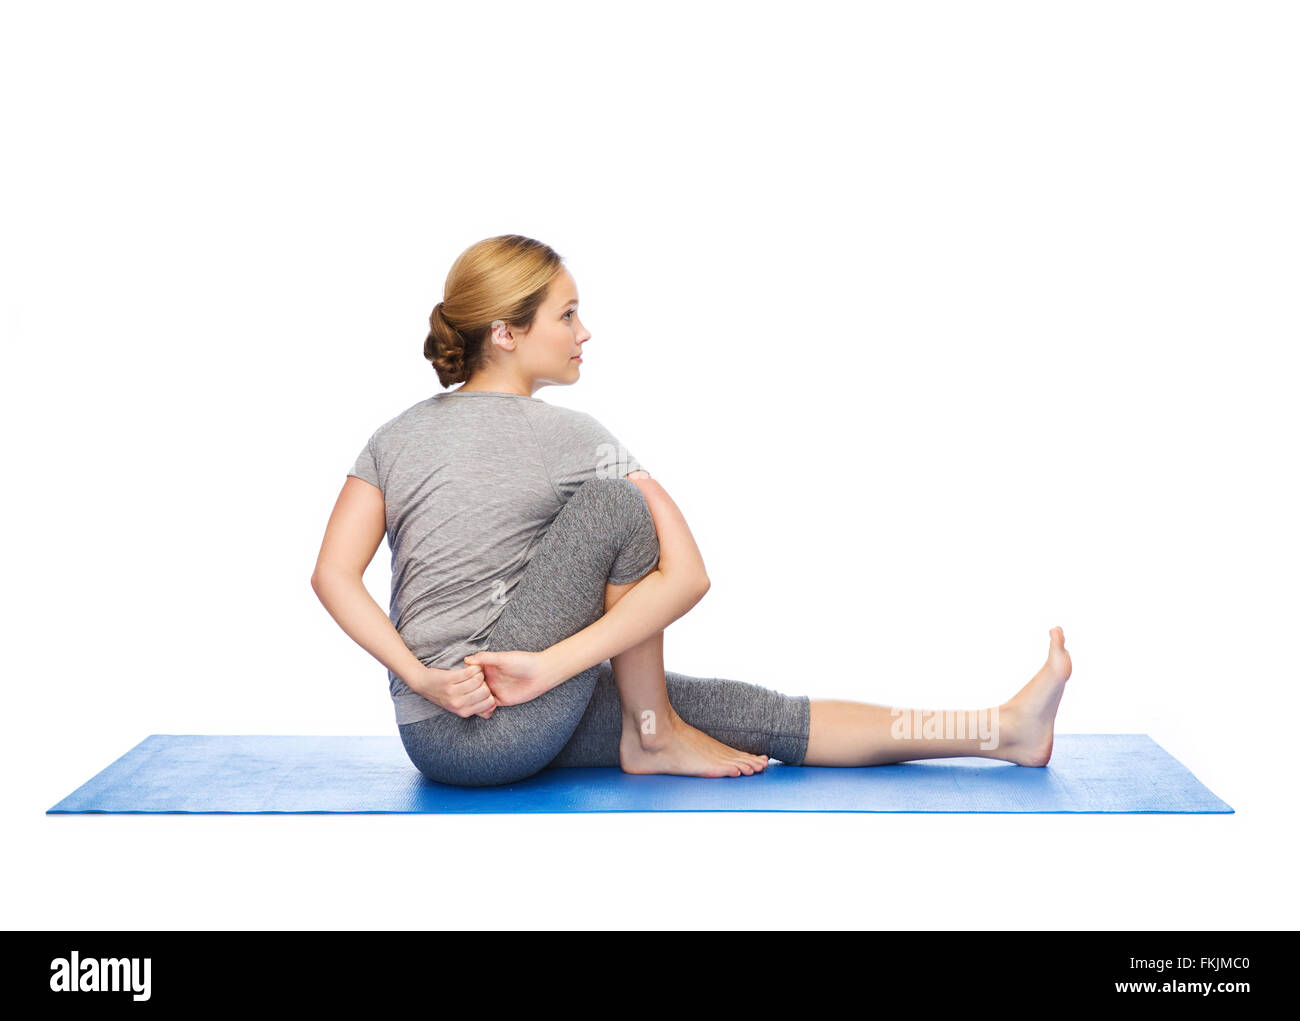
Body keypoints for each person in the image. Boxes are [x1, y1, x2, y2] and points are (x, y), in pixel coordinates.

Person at [311, 235, 1073, 788]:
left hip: (434, 739)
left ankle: (1004, 729)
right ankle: (652, 733)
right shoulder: (570, 436)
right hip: (508, 721)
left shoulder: (392, 434)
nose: (583, 332)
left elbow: (332, 576)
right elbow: (687, 573)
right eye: (567, 315)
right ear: (505, 333)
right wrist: (548, 669)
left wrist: (425, 678)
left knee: (750, 714)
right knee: (620, 506)